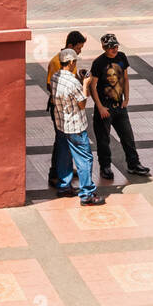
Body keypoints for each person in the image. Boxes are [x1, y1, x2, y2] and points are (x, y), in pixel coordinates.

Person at [89, 33, 151, 180]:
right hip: (105, 108)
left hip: (120, 106)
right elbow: (92, 85)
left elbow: (125, 78)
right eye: (111, 47)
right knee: (104, 140)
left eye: (116, 46)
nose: (115, 49)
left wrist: (126, 98)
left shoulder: (122, 57)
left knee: (128, 136)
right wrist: (100, 107)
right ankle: (105, 167)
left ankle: (133, 164)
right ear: (104, 48)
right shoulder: (98, 63)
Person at [51, 48, 105, 207]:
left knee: (64, 156)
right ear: (72, 62)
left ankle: (64, 186)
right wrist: (86, 84)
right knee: (85, 159)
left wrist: (80, 81)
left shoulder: (56, 77)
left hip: (61, 124)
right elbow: (82, 103)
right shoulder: (74, 83)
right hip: (75, 127)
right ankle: (87, 193)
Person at [45, 30, 87, 188]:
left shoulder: (69, 61)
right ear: (70, 46)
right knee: (61, 141)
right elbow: (51, 84)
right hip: (60, 108)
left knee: (65, 141)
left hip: (67, 106)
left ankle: (66, 169)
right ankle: (55, 172)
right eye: (78, 48)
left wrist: (78, 79)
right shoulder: (56, 62)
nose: (79, 51)